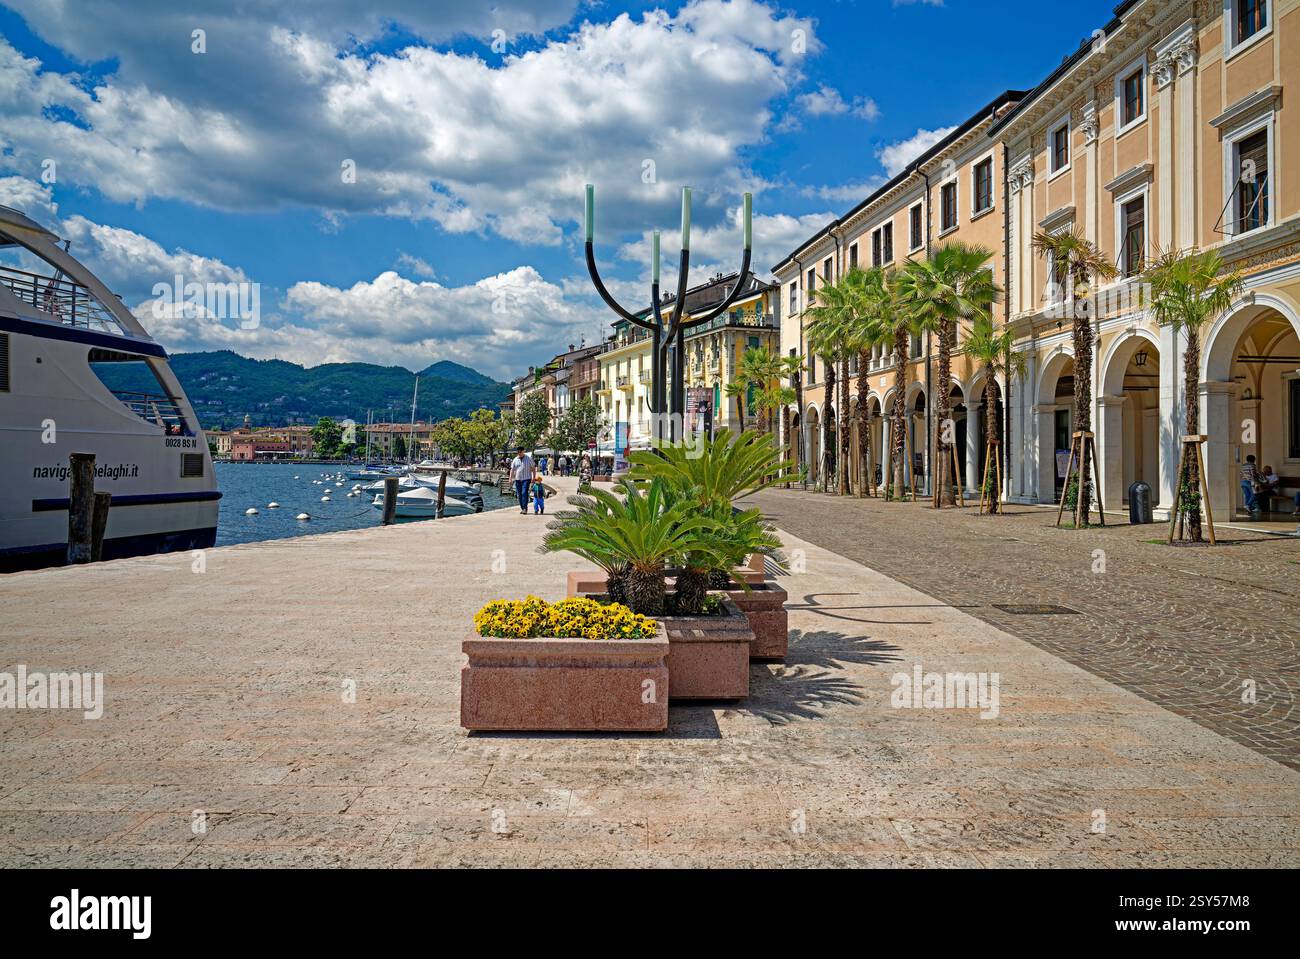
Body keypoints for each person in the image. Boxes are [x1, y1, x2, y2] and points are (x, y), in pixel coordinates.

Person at [509, 446, 535, 515]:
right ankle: (522, 508)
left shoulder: (528, 458)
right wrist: (510, 479)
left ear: (523, 451)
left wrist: (533, 477)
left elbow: (533, 468)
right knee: (519, 495)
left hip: (526, 478)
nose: (519, 453)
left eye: (520, 452)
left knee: (524, 493)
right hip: (518, 479)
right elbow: (512, 470)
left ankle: (525, 508)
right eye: (518, 452)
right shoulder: (515, 459)